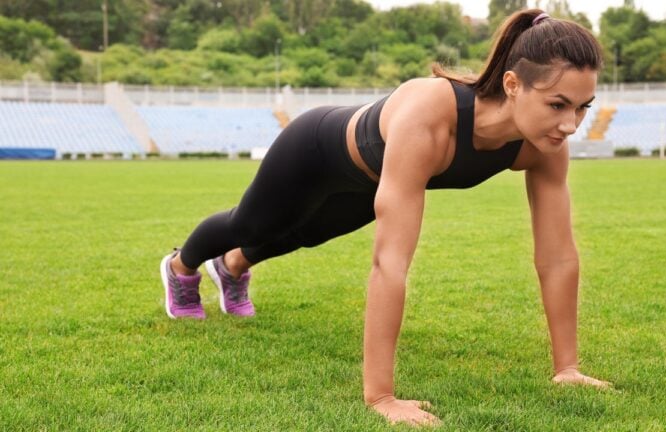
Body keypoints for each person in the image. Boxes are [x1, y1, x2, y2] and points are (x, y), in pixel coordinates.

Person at [159, 8, 612, 426]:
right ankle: (181, 267)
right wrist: (381, 397)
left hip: (370, 180)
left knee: (304, 234)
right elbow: (390, 264)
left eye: (582, 107)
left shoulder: (544, 146)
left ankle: (233, 266)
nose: (571, 124)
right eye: (557, 105)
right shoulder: (432, 113)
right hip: (315, 150)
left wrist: (567, 368)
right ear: (513, 85)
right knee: (252, 224)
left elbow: (557, 257)